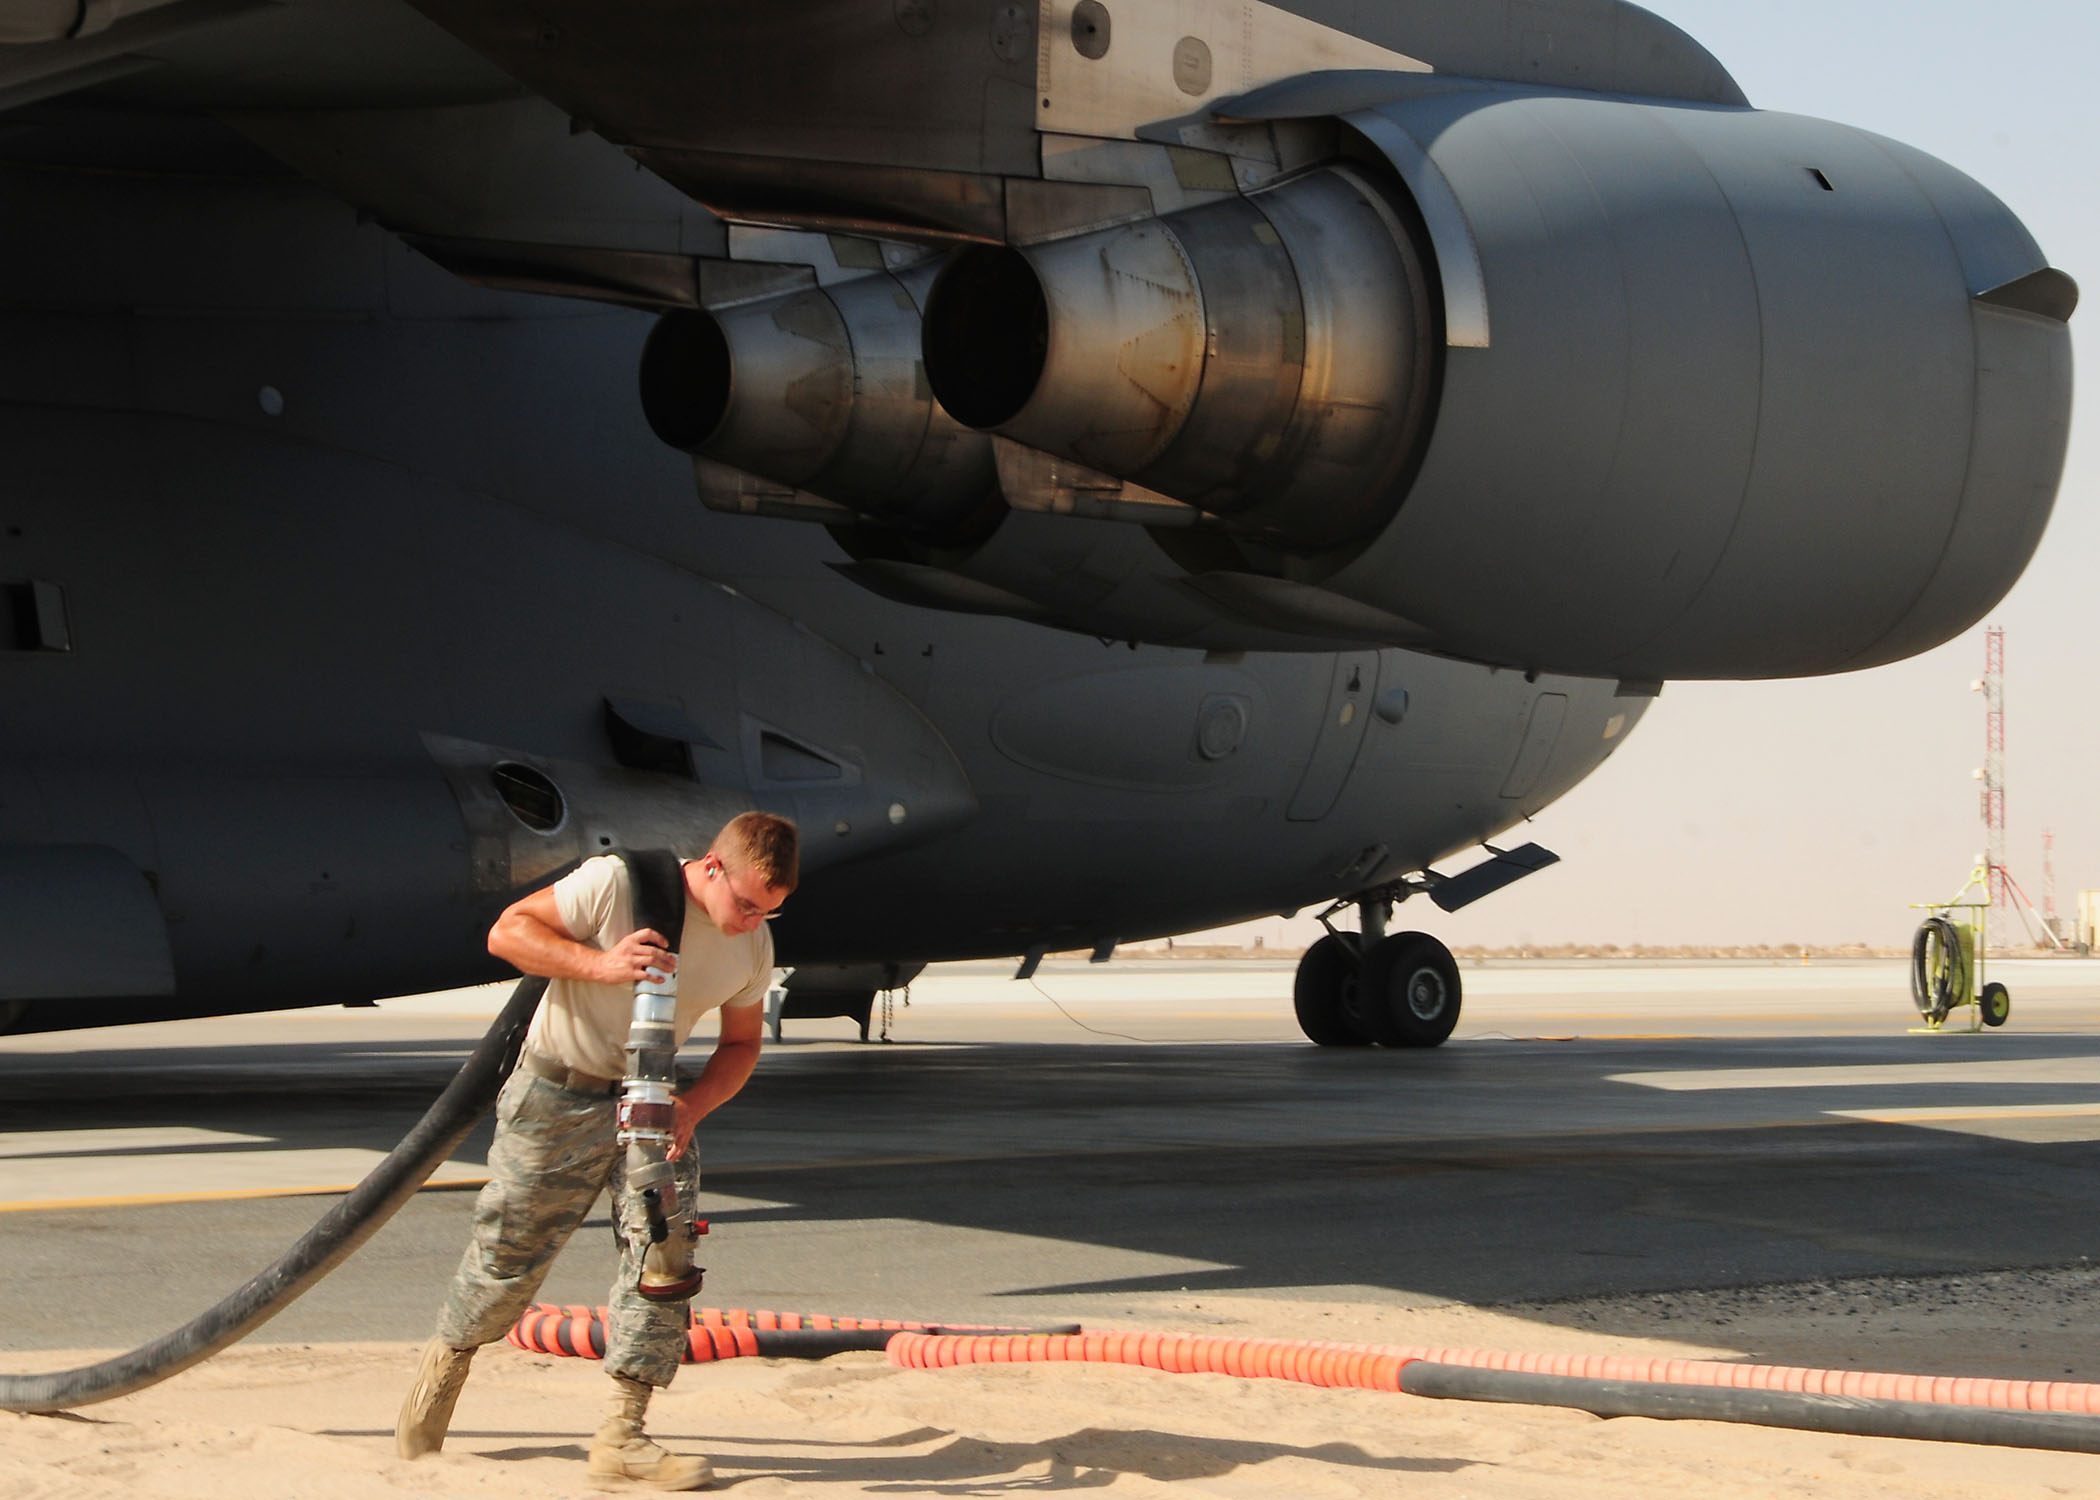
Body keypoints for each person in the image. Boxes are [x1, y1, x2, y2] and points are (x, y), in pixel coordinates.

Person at [396, 811, 798, 1491]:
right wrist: (600, 964)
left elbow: (742, 1044)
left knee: (663, 1264)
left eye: (771, 913)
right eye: (747, 904)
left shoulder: (751, 948)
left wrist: (694, 1106)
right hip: (558, 1094)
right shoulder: (620, 885)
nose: (752, 922)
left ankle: (623, 1434)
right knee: (507, 1256)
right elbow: (508, 932)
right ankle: (444, 1369)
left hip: (653, 1110)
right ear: (710, 867)